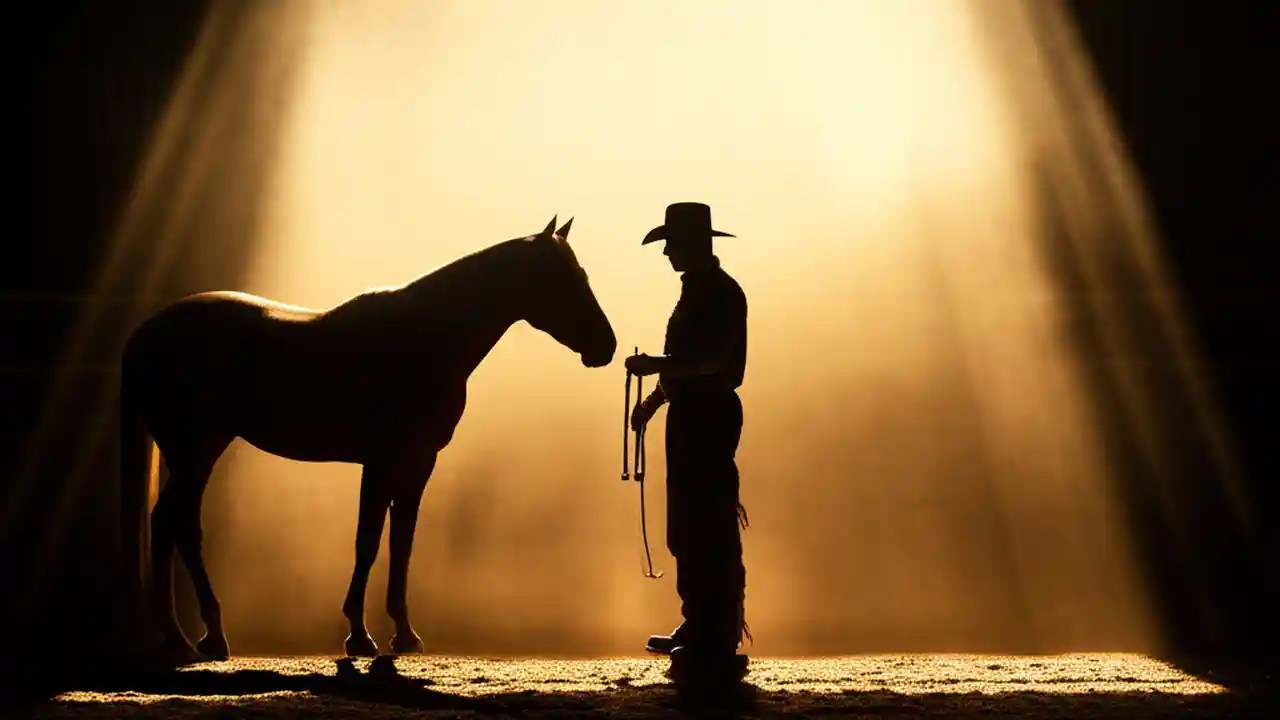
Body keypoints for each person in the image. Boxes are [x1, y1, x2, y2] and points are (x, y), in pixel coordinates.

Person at [625, 202, 749, 681]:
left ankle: (713, 635)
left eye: (672, 244)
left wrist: (657, 366)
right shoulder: (699, 292)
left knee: (708, 522)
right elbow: (686, 361)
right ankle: (696, 622)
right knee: (686, 522)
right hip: (691, 413)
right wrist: (655, 402)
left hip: (710, 413)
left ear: (695, 244)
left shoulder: (720, 294)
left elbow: (712, 361)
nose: (668, 253)